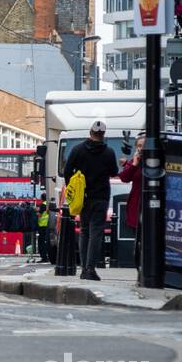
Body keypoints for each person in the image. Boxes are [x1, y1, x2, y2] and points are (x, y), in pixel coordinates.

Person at [63, 119, 119, 282]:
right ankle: (90, 268)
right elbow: (114, 172)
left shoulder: (78, 150)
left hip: (83, 197)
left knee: (85, 232)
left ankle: (83, 269)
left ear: (90, 132)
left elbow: (67, 170)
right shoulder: (109, 152)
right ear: (103, 135)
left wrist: (72, 189)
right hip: (100, 197)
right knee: (96, 233)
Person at [116, 135, 145, 268]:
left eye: (144, 145)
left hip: (151, 204)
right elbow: (124, 178)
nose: (141, 148)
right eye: (139, 146)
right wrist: (134, 164)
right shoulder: (134, 162)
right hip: (136, 204)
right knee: (138, 238)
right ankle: (140, 266)